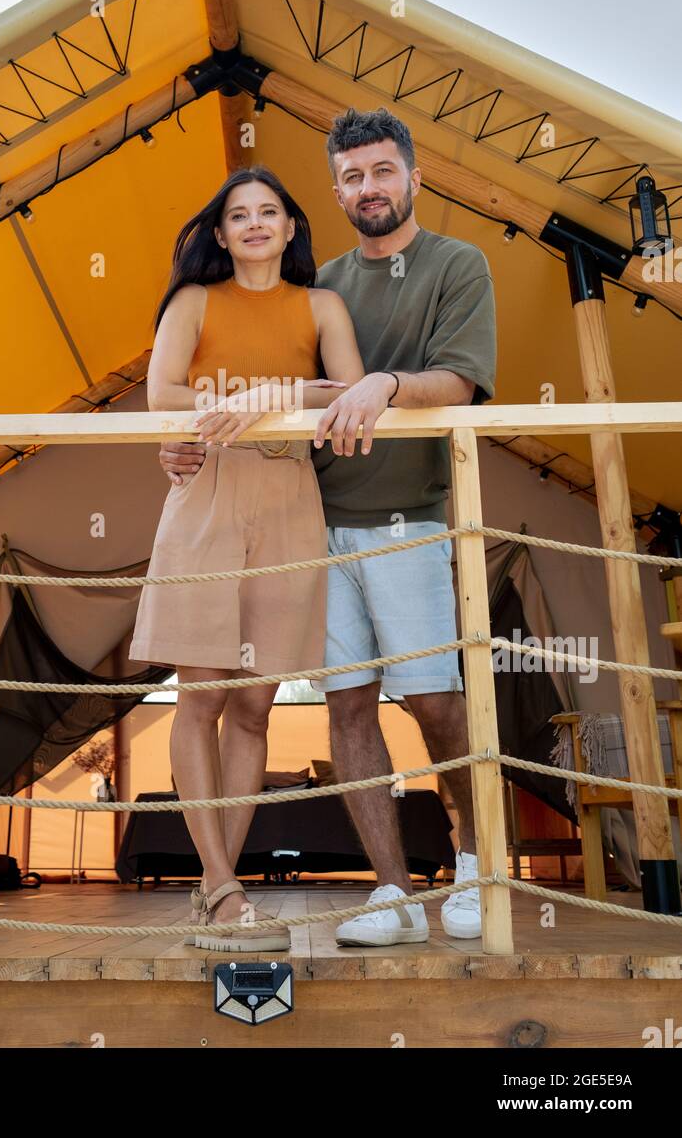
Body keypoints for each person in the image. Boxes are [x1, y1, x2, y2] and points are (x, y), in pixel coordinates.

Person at [159, 107, 497, 946]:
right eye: (352, 176)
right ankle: (388, 891)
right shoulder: (326, 283)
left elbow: (457, 383)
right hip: (314, 523)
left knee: (433, 699)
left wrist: (381, 384)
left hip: (407, 517)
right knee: (345, 706)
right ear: (336, 191)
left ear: (413, 176)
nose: (369, 188)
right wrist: (184, 441)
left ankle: (476, 864)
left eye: (383, 171)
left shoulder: (460, 265)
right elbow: (229, 393)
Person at [129, 165, 364, 952]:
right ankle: (224, 885)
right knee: (200, 693)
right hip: (206, 489)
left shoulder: (321, 304)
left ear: (293, 227)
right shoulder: (194, 301)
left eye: (270, 211)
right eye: (239, 215)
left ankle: (215, 883)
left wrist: (266, 398)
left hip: (292, 498)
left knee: (256, 706)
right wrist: (221, 409)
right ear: (221, 233)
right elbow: (161, 394)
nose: (256, 223)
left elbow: (350, 392)